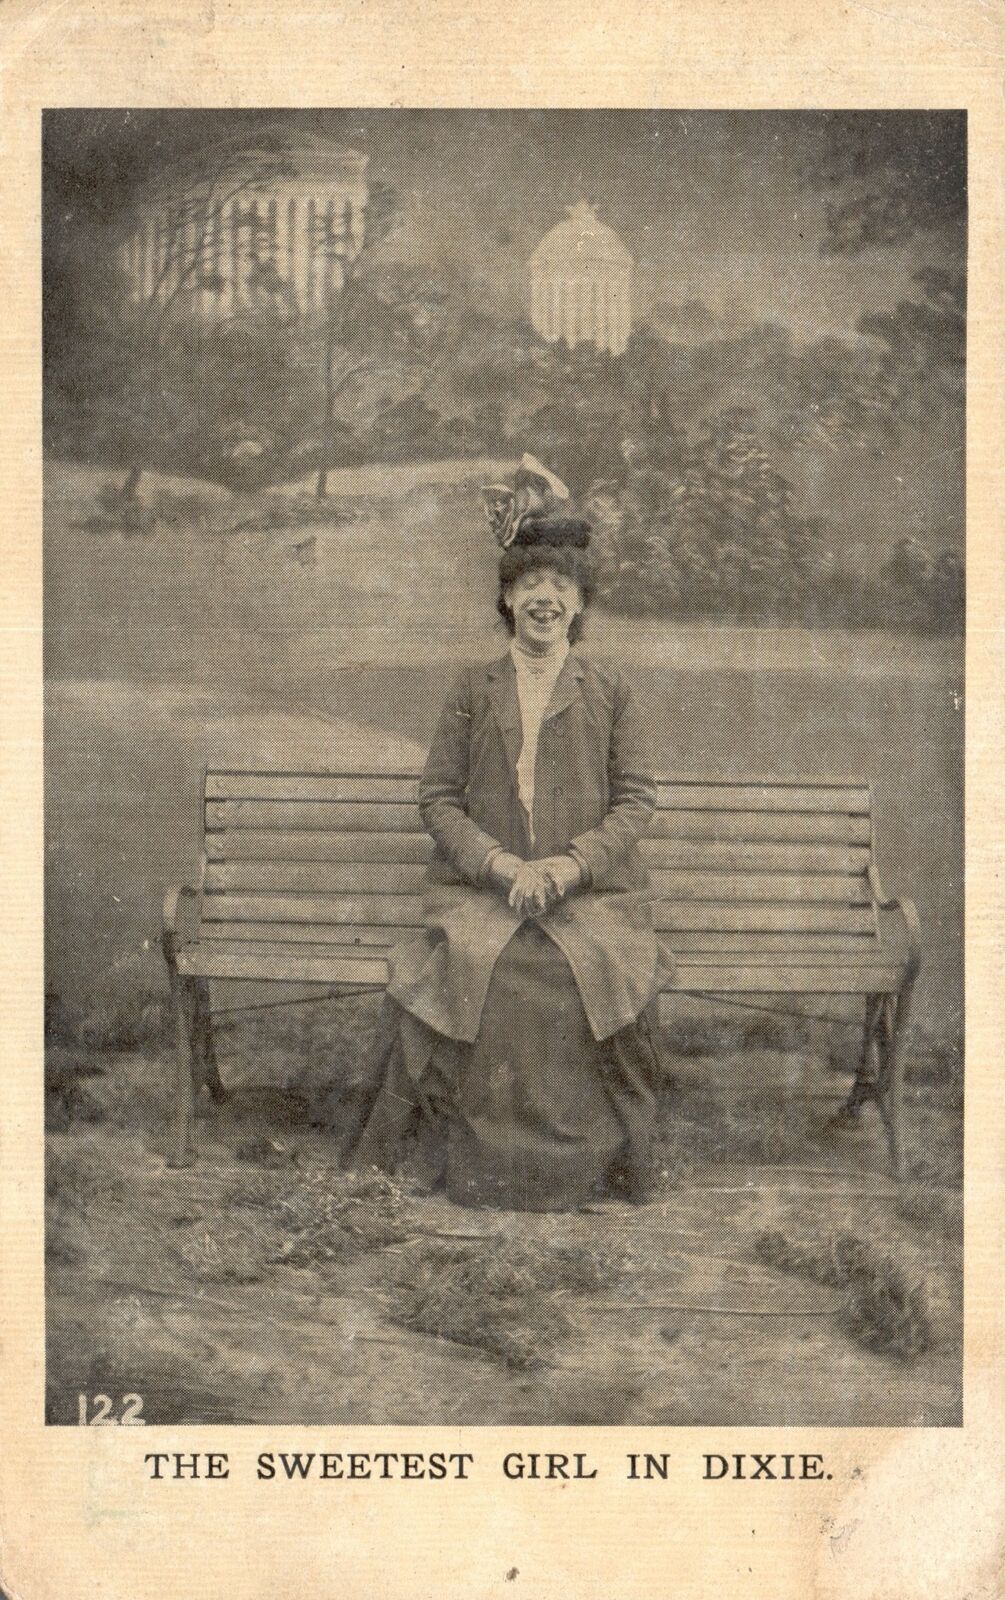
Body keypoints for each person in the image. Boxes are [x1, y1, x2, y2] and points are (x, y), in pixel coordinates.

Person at [347, 459, 663, 1211]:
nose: (543, 599)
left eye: (559, 587)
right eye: (528, 586)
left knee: (568, 971)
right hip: (481, 891)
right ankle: (476, 1163)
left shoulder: (609, 690)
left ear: (580, 603)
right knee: (485, 969)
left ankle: (586, 1162)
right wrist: (495, 865)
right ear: (505, 598)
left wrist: (568, 865)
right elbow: (436, 797)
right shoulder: (471, 688)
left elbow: (636, 799)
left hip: (588, 895)